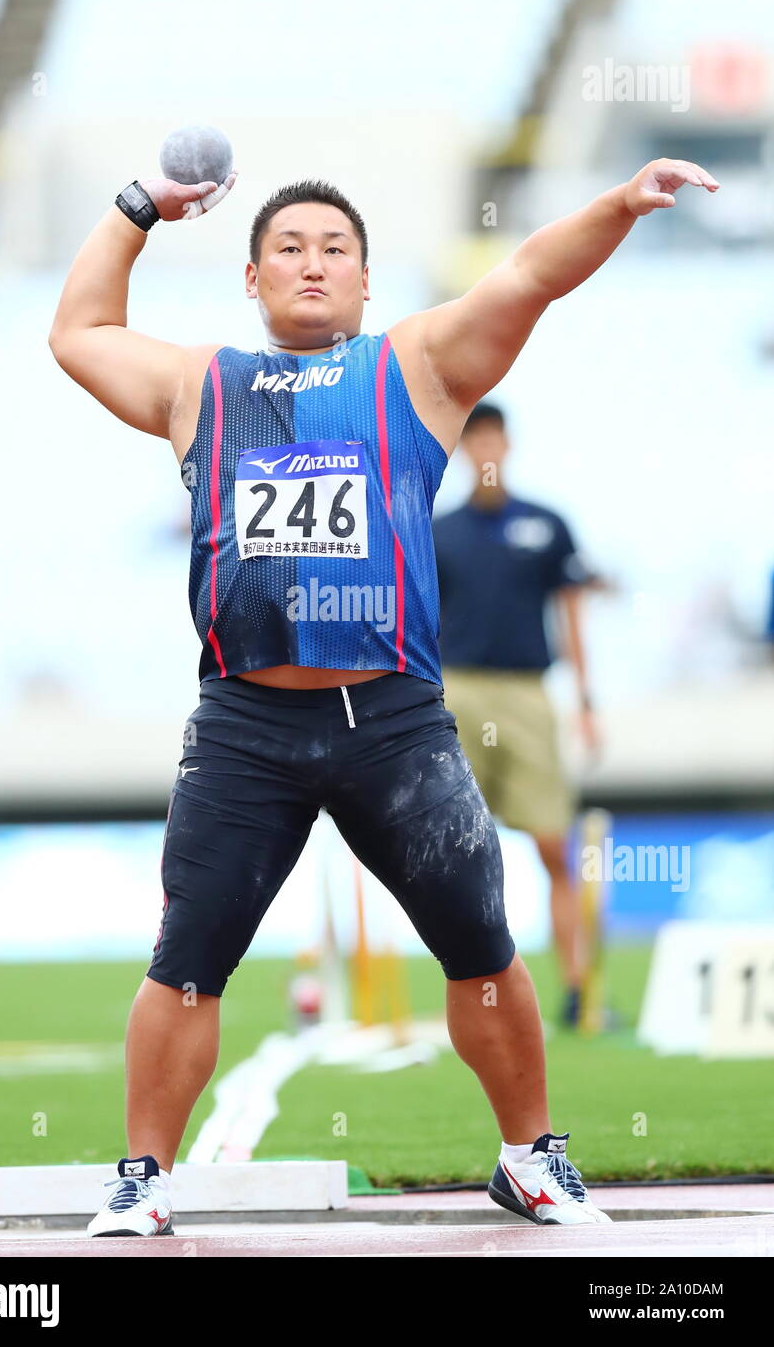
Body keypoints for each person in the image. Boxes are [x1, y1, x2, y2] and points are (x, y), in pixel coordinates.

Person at [49, 155, 718, 1235]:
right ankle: (142, 1176)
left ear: (365, 283)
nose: (311, 263)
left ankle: (528, 1156)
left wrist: (615, 203)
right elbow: (78, 334)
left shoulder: (418, 369)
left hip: (392, 720)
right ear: (253, 281)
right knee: (186, 957)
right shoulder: (198, 385)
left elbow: (528, 278)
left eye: (335, 249)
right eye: (287, 248)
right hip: (244, 723)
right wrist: (139, 208)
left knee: (479, 939)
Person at [433, 400, 597, 1026]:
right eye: (476, 440)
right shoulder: (437, 531)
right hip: (458, 693)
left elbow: (572, 615)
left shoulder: (547, 525)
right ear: (465, 448)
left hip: (529, 694)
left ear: (507, 444)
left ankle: (577, 988)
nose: (487, 451)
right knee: (459, 851)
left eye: (495, 438)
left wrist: (585, 701)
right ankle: (477, 988)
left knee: (554, 844)